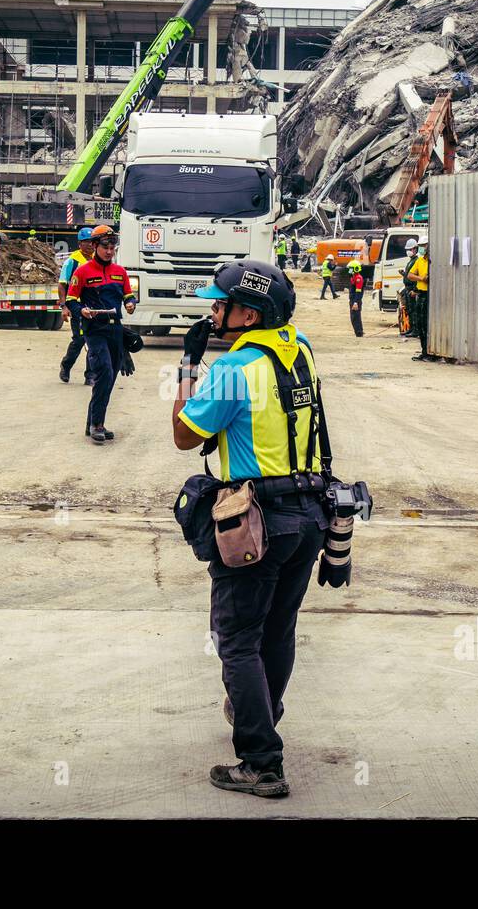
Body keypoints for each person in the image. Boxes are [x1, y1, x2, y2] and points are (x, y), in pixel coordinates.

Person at [172, 259, 328, 798]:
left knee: (237, 640)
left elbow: (184, 435)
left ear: (249, 312)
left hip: (256, 522)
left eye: (221, 304)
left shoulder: (232, 371)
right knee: (277, 629)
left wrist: (188, 369)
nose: (213, 312)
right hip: (309, 514)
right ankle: (261, 710)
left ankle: (261, 761)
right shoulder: (300, 348)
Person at [64, 225, 136, 442]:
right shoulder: (82, 272)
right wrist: (81, 310)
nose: (109, 250)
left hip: (115, 330)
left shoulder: (120, 272)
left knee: (110, 378)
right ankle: (97, 424)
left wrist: (131, 304)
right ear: (95, 246)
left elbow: (129, 297)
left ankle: (93, 422)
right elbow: (71, 300)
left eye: (112, 246)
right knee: (103, 371)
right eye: (105, 246)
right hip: (94, 330)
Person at [58, 226, 95, 384]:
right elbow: (62, 285)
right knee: (79, 340)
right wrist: (64, 306)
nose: (89, 245)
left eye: (91, 242)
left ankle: (90, 376)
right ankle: (66, 366)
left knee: (93, 341)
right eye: (85, 242)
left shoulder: (98, 260)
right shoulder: (72, 262)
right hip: (77, 307)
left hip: (94, 308)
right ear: (79, 244)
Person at [407, 238, 431, 361]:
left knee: (427, 325)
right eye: (420, 246)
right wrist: (421, 278)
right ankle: (424, 351)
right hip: (421, 294)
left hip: (429, 295)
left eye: (423, 245)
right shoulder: (420, 260)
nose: (422, 248)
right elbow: (410, 275)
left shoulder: (432, 261)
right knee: (420, 324)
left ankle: (431, 352)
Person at [347, 257, 365, 337]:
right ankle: (358, 331)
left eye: (351, 268)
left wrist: (356, 302)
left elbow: (358, 292)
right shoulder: (353, 277)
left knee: (356, 317)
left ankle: (359, 332)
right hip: (352, 299)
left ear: (355, 269)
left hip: (355, 300)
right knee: (353, 317)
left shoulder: (358, 278)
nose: (349, 270)